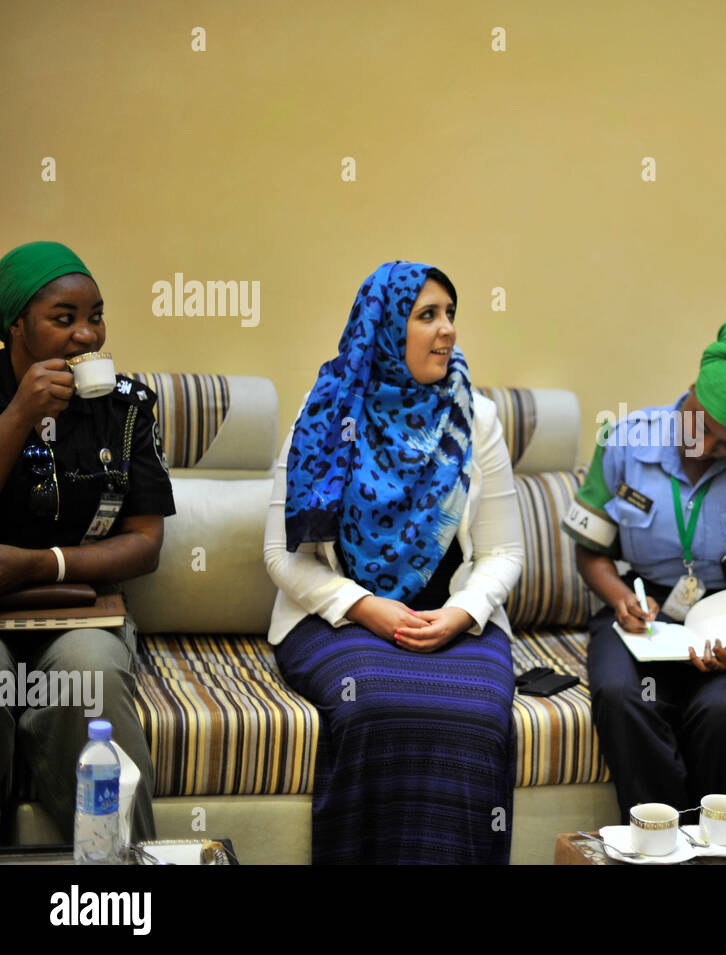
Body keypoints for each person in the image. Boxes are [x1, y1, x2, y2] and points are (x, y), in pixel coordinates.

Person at [264, 261, 523, 865]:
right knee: (372, 704)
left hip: (455, 622)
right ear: (383, 327)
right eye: (426, 315)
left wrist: (462, 612)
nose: (447, 330)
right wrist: (363, 607)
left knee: (482, 718)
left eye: (451, 314)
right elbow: (281, 556)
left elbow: (506, 552)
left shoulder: (474, 416)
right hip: (342, 618)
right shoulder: (326, 413)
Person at [564, 318, 726, 824]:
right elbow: (590, 553)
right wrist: (620, 599)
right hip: (646, 608)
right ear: (691, 391)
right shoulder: (625, 440)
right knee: (621, 695)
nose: (707, 447)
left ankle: (712, 844)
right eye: (700, 428)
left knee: (723, 709)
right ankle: (661, 839)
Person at [0, 241, 173, 842]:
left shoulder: (125, 410)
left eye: (95, 316)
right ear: (15, 326)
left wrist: (38, 565)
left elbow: (145, 544)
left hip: (82, 614)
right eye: (64, 319)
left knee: (90, 677)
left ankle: (121, 874)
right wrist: (18, 414)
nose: (87, 336)